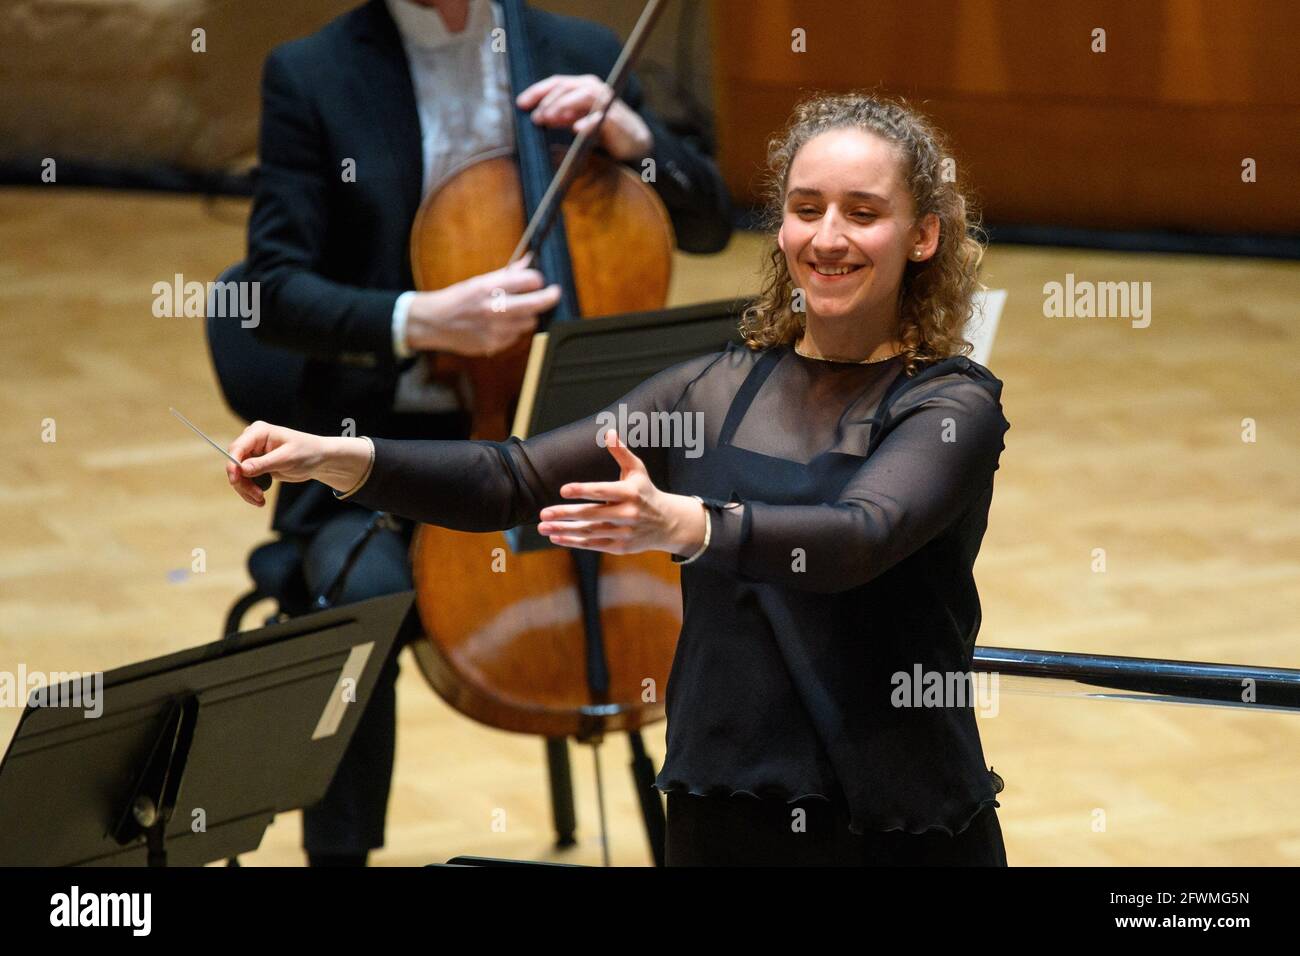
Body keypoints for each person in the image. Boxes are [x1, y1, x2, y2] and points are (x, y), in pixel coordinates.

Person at [228, 92, 1010, 866]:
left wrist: (686, 524)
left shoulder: (951, 406)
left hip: (894, 813)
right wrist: (341, 456)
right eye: (807, 209)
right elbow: (512, 478)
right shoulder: (711, 390)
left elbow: (858, 538)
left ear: (924, 236)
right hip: (724, 802)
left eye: (863, 213)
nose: (828, 237)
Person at [243, 0, 732, 866]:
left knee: (736, 571)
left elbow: (705, 223)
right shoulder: (313, 74)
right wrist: (420, 318)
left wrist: (637, 141)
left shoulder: (581, 51)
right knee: (362, 600)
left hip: (579, 448)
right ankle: (341, 860)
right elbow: (271, 291)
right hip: (386, 449)